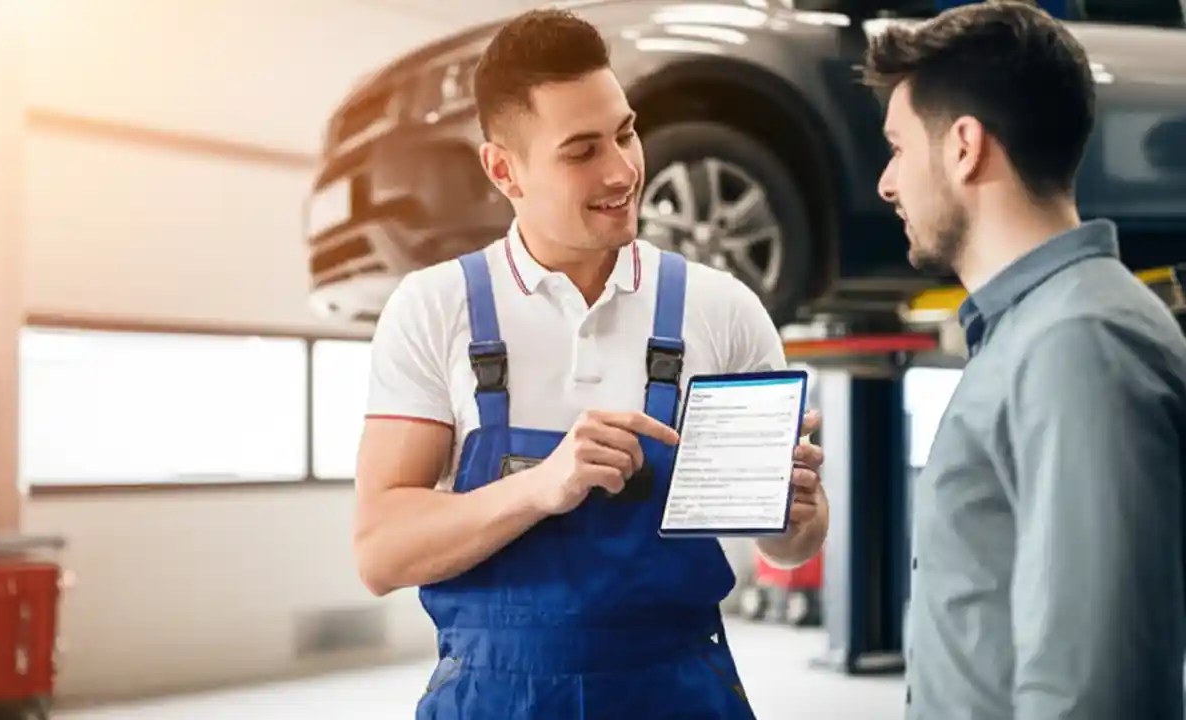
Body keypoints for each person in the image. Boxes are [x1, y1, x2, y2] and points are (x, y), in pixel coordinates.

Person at [352, 8, 828, 719]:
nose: (621, 170)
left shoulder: (724, 311)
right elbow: (380, 552)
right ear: (503, 169)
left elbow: (790, 549)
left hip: (678, 694)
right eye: (580, 151)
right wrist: (542, 487)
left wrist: (798, 511)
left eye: (626, 132)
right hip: (493, 697)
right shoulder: (434, 309)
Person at [866, 2, 1186, 718]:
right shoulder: (1033, 332)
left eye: (897, 148)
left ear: (964, 146)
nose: (887, 184)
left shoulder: (1080, 342)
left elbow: (1093, 683)